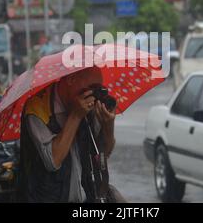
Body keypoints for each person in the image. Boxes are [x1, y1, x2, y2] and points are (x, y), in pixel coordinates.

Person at [19, 66, 125, 203]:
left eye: (98, 88)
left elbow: (104, 154)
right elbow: (53, 160)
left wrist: (108, 125)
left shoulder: (90, 104)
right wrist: (76, 115)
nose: (94, 93)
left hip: (87, 192)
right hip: (47, 196)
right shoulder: (38, 108)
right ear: (71, 79)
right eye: (92, 87)